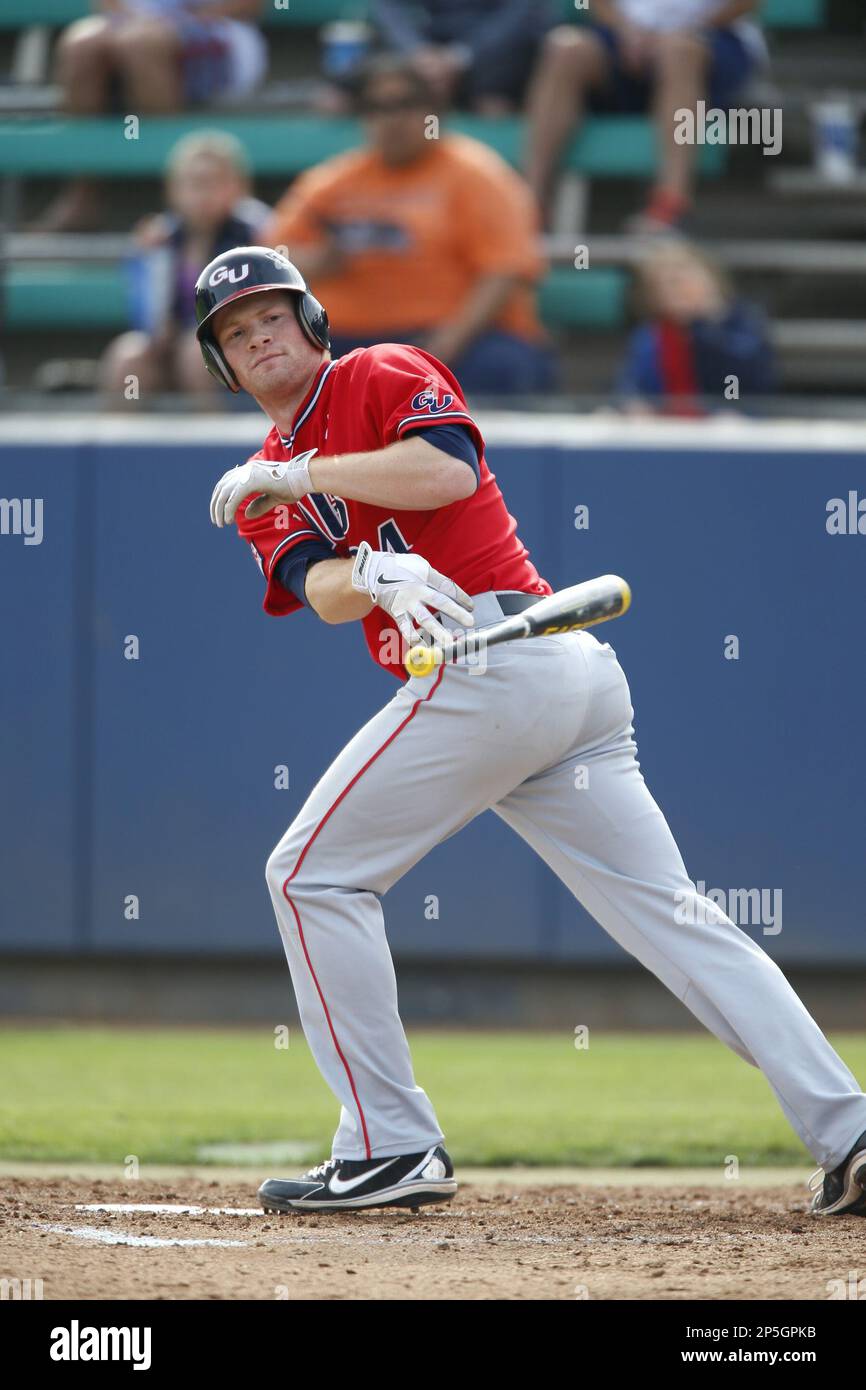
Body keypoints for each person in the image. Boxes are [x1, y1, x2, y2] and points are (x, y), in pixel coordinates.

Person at [196, 244, 866, 1217]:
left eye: (269, 317)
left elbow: (442, 472)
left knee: (310, 875)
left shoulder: (378, 373)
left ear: (309, 323)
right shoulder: (264, 479)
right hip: (529, 684)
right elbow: (321, 590)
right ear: (220, 363)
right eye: (232, 332)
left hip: (506, 655)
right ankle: (847, 1126)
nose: (256, 337)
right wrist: (372, 572)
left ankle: (389, 1145)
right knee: (676, 918)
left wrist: (302, 476)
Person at [262, 54, 556, 397]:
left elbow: (504, 273)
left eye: (405, 104)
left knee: (502, 367)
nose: (392, 119)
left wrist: (438, 353)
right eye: (377, 108)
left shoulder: (478, 176)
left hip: (454, 341)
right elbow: (271, 262)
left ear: (435, 111)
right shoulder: (333, 182)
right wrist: (318, 261)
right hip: (347, 341)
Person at [523, 0, 767, 232]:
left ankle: (670, 205)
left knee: (678, 50)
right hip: (625, 37)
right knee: (565, 48)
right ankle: (530, 203)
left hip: (713, 37)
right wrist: (627, 31)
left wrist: (684, 30)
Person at [33, 0, 267, 232]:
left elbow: (249, 4)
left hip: (217, 28)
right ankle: (83, 193)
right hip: (131, 26)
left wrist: (182, 18)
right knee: (81, 45)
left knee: (141, 44)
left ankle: (174, 210)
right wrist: (138, 18)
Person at [100, 132, 269, 400]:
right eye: (194, 184)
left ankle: (214, 439)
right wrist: (158, 330)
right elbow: (144, 309)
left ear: (239, 187)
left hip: (237, 347)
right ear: (173, 191)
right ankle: (120, 440)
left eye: (214, 182)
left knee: (196, 353)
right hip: (170, 349)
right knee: (127, 357)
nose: (203, 194)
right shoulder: (158, 241)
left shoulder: (258, 235)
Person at [615, 239, 775, 415]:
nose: (678, 289)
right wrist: (634, 405)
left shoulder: (743, 323)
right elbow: (631, 388)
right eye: (665, 283)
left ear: (711, 279)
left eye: (683, 278)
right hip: (668, 430)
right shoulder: (651, 336)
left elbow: (746, 381)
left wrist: (704, 325)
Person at [370, 0, 555, 116]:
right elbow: (390, 9)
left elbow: (523, 14)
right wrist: (419, 52)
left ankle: (497, 175)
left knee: (493, 104)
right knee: (391, 88)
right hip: (428, 53)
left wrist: (458, 58)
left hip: (497, 58)